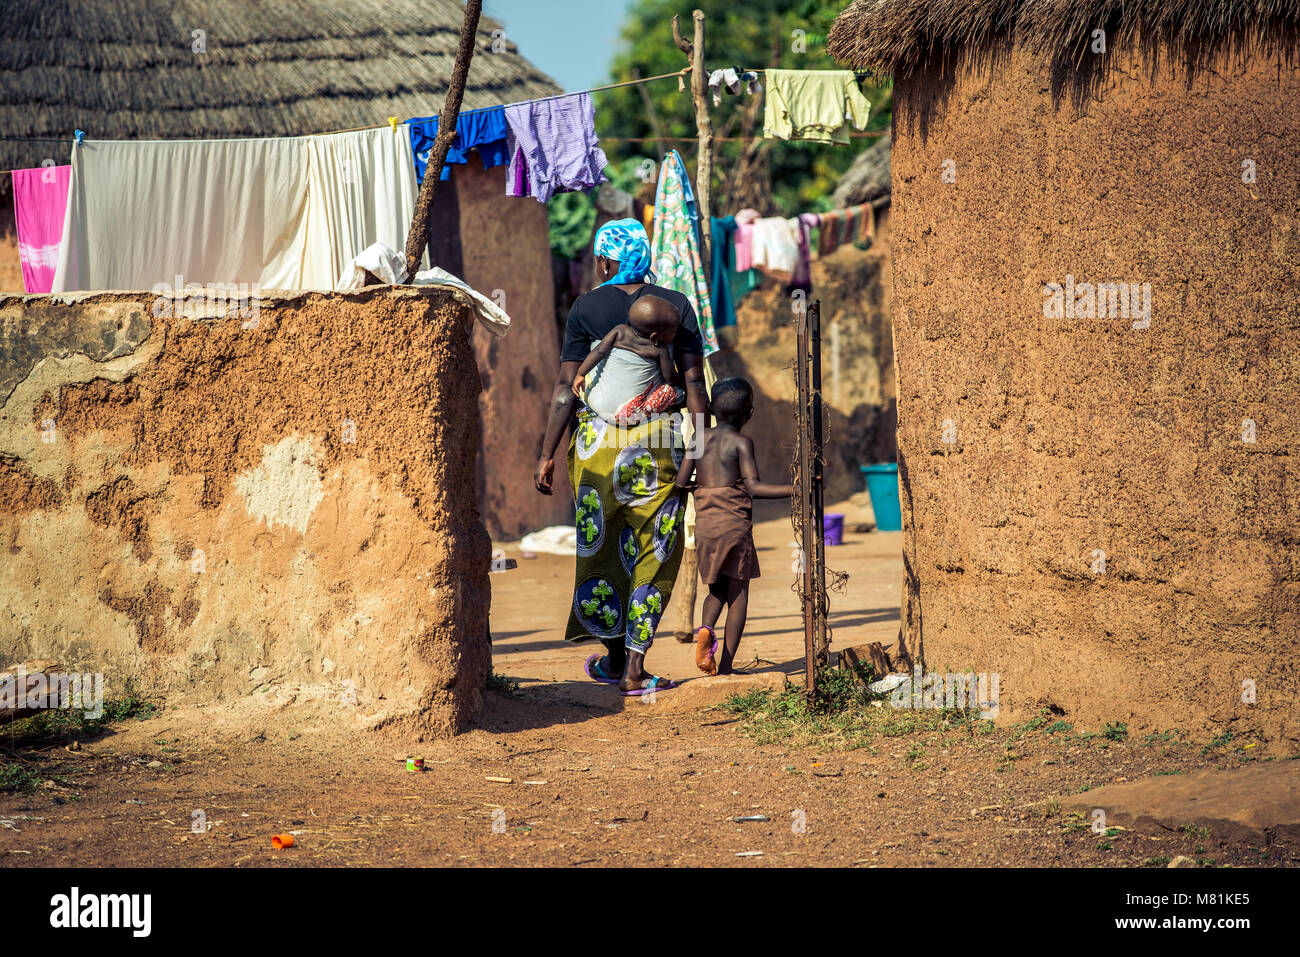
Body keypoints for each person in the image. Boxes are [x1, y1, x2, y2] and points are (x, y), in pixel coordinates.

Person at [534, 218, 709, 696]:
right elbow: (693, 385)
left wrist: (547, 453)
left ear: (606, 259)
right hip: (658, 449)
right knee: (655, 548)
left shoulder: (586, 307)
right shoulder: (675, 306)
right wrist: (702, 448)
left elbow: (564, 389)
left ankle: (612, 660)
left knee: (605, 547)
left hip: (597, 452)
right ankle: (635, 667)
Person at [674, 377, 791, 675]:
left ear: (712, 408)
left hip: (706, 527)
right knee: (738, 594)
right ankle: (726, 666)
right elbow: (753, 488)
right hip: (734, 528)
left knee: (716, 590)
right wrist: (796, 489)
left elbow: (680, 481)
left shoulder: (698, 439)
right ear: (748, 414)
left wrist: (702, 489)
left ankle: (706, 629)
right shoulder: (741, 442)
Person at [572, 294, 683, 424]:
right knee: (674, 392)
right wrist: (682, 382)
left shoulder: (620, 331)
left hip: (595, 402)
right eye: (673, 331)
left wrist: (580, 373)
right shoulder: (659, 349)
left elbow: (599, 351)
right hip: (627, 415)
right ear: (654, 337)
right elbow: (669, 377)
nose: (675, 334)